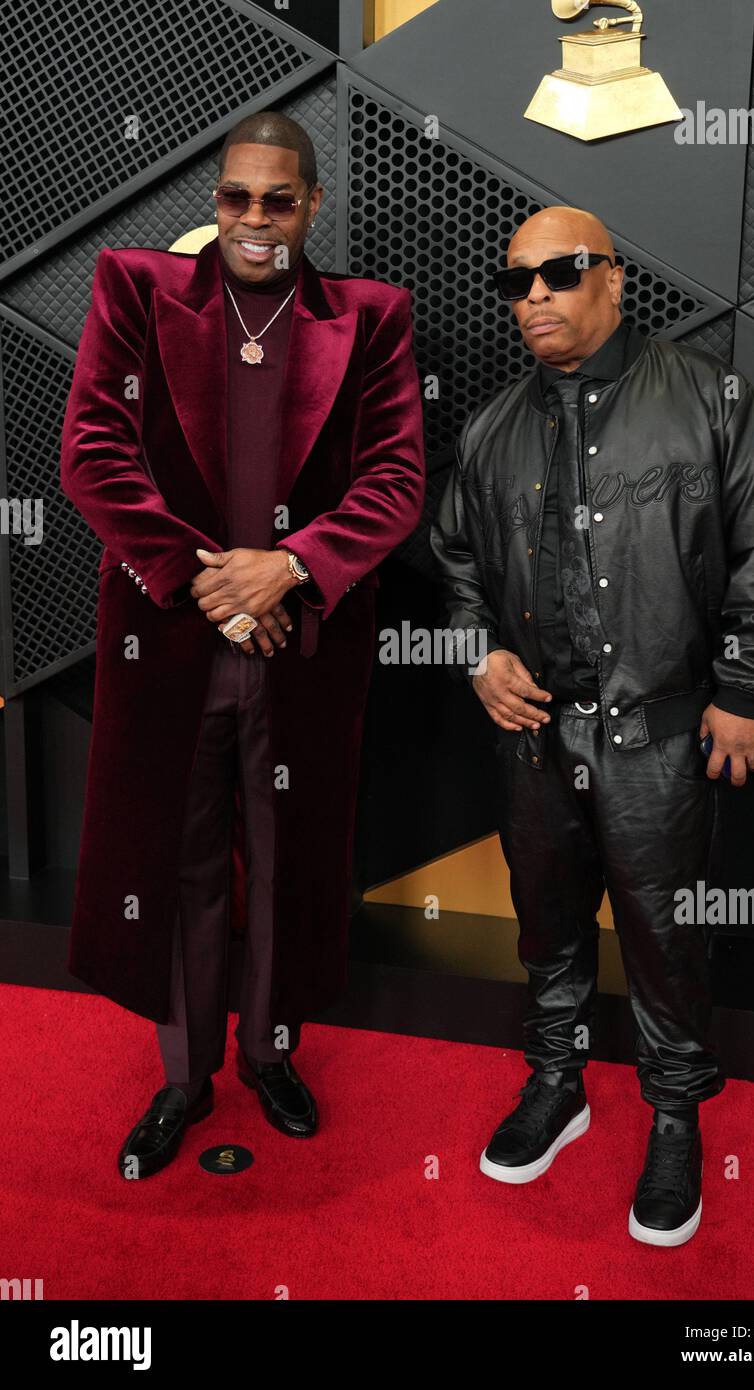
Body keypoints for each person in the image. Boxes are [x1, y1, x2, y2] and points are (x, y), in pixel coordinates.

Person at [430, 205, 754, 1245]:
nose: (535, 296)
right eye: (515, 281)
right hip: (533, 735)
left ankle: (675, 1119)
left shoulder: (707, 396)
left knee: (665, 936)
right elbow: (455, 562)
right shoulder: (490, 427)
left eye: (559, 272)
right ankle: (556, 1083)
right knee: (545, 920)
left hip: (662, 733)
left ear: (613, 278)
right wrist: (478, 653)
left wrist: (746, 690)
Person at [60, 111, 425, 1179]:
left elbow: (395, 480)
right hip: (169, 637)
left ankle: (269, 1052)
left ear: (313, 204)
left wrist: (290, 567)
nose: (255, 218)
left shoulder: (371, 317)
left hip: (302, 647)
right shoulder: (136, 290)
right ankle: (184, 1077)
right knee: (175, 861)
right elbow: (92, 453)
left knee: (286, 855)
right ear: (213, 200)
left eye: (278, 199)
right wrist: (210, 581)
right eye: (236, 197)